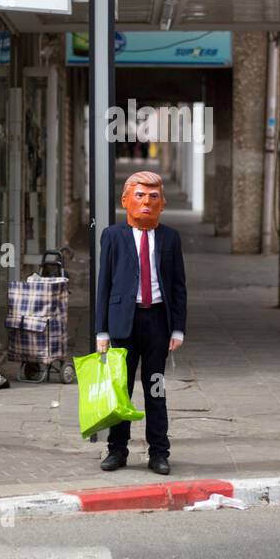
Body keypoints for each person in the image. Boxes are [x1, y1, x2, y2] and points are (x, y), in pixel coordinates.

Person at [95, 171, 187, 475]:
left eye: (153, 196)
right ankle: (116, 451)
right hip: (123, 323)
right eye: (139, 195)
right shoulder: (112, 236)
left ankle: (159, 452)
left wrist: (177, 328)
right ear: (125, 201)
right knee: (120, 390)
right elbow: (104, 285)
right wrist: (102, 331)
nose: (146, 202)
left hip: (157, 323)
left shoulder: (170, 237)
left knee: (155, 389)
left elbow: (178, 286)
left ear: (162, 203)